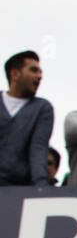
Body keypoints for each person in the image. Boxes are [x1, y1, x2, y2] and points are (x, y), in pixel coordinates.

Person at [1, 50, 54, 186]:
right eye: (33, 70)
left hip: (19, 189)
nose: (39, 76)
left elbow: (38, 148)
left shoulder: (42, 108)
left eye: (40, 72)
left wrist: (41, 186)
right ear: (15, 74)